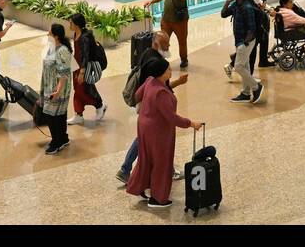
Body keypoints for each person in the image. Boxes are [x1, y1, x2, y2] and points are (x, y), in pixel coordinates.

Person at [125, 54, 203, 207]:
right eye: (168, 69)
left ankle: (141, 187)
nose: (170, 71)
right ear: (161, 73)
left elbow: (137, 95)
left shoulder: (150, 81)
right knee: (162, 162)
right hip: (158, 130)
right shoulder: (161, 93)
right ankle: (158, 199)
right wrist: (191, 123)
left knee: (146, 159)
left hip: (144, 125)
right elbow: (171, 117)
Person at [116, 31, 189, 184]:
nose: (168, 46)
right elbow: (161, 89)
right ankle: (164, 171)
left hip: (146, 103)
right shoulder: (155, 63)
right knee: (157, 137)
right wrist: (178, 82)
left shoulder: (147, 54)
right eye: (165, 44)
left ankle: (126, 169)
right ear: (156, 44)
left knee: (145, 136)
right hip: (152, 106)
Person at [221, 0, 264, 104]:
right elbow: (223, 14)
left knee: (238, 66)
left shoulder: (247, 7)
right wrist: (228, 1)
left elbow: (252, 29)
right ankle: (245, 93)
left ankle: (256, 87)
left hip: (246, 42)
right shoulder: (236, 4)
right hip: (240, 41)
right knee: (245, 66)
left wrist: (243, 44)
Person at [38, 23, 73, 154]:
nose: (47, 34)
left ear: (56, 36)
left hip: (57, 89)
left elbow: (64, 74)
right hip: (49, 86)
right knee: (59, 115)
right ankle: (62, 138)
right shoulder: (53, 47)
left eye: (50, 32)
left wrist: (58, 91)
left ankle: (56, 142)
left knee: (52, 116)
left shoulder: (62, 51)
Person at [67, 13, 107, 125]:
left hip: (83, 68)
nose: (69, 24)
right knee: (77, 89)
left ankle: (99, 105)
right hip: (76, 66)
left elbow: (85, 56)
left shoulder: (85, 38)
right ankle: (78, 114)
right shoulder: (76, 33)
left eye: (71, 23)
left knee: (83, 89)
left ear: (76, 24)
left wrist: (82, 72)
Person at [148, 0, 190, 69]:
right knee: (162, 41)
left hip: (180, 20)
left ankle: (184, 60)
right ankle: (161, 61)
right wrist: (151, 1)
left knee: (182, 42)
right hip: (166, 19)